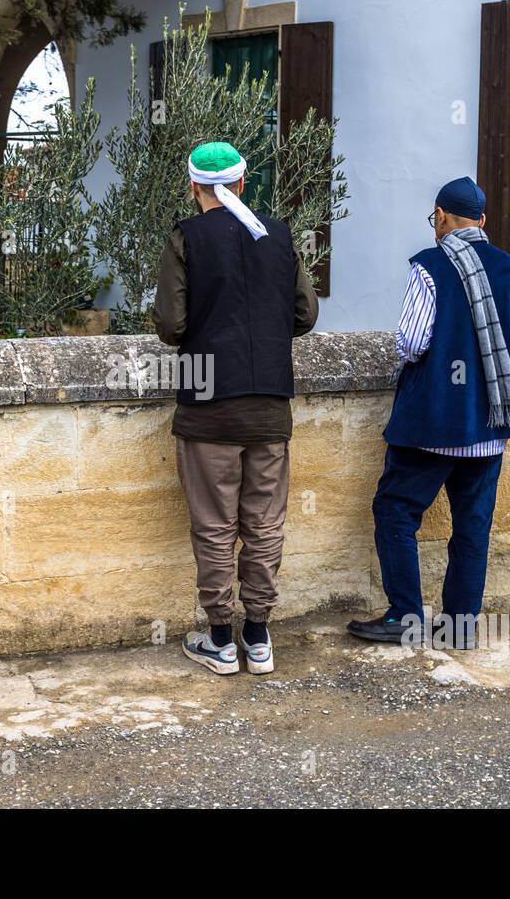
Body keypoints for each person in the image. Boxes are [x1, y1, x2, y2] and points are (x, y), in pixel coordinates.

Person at [154, 141, 318, 676]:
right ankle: (259, 633)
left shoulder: (184, 238)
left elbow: (170, 326)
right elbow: (305, 314)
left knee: (213, 523)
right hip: (270, 401)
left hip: (207, 405)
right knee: (265, 522)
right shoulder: (279, 236)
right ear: (243, 184)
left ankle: (221, 639)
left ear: (193, 187)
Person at [347, 177, 510, 648]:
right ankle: (460, 626)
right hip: (490, 420)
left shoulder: (429, 264)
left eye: (435, 218)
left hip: (432, 421)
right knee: (472, 527)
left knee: (396, 511)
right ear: (482, 221)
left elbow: (412, 342)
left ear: (441, 216)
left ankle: (404, 617)